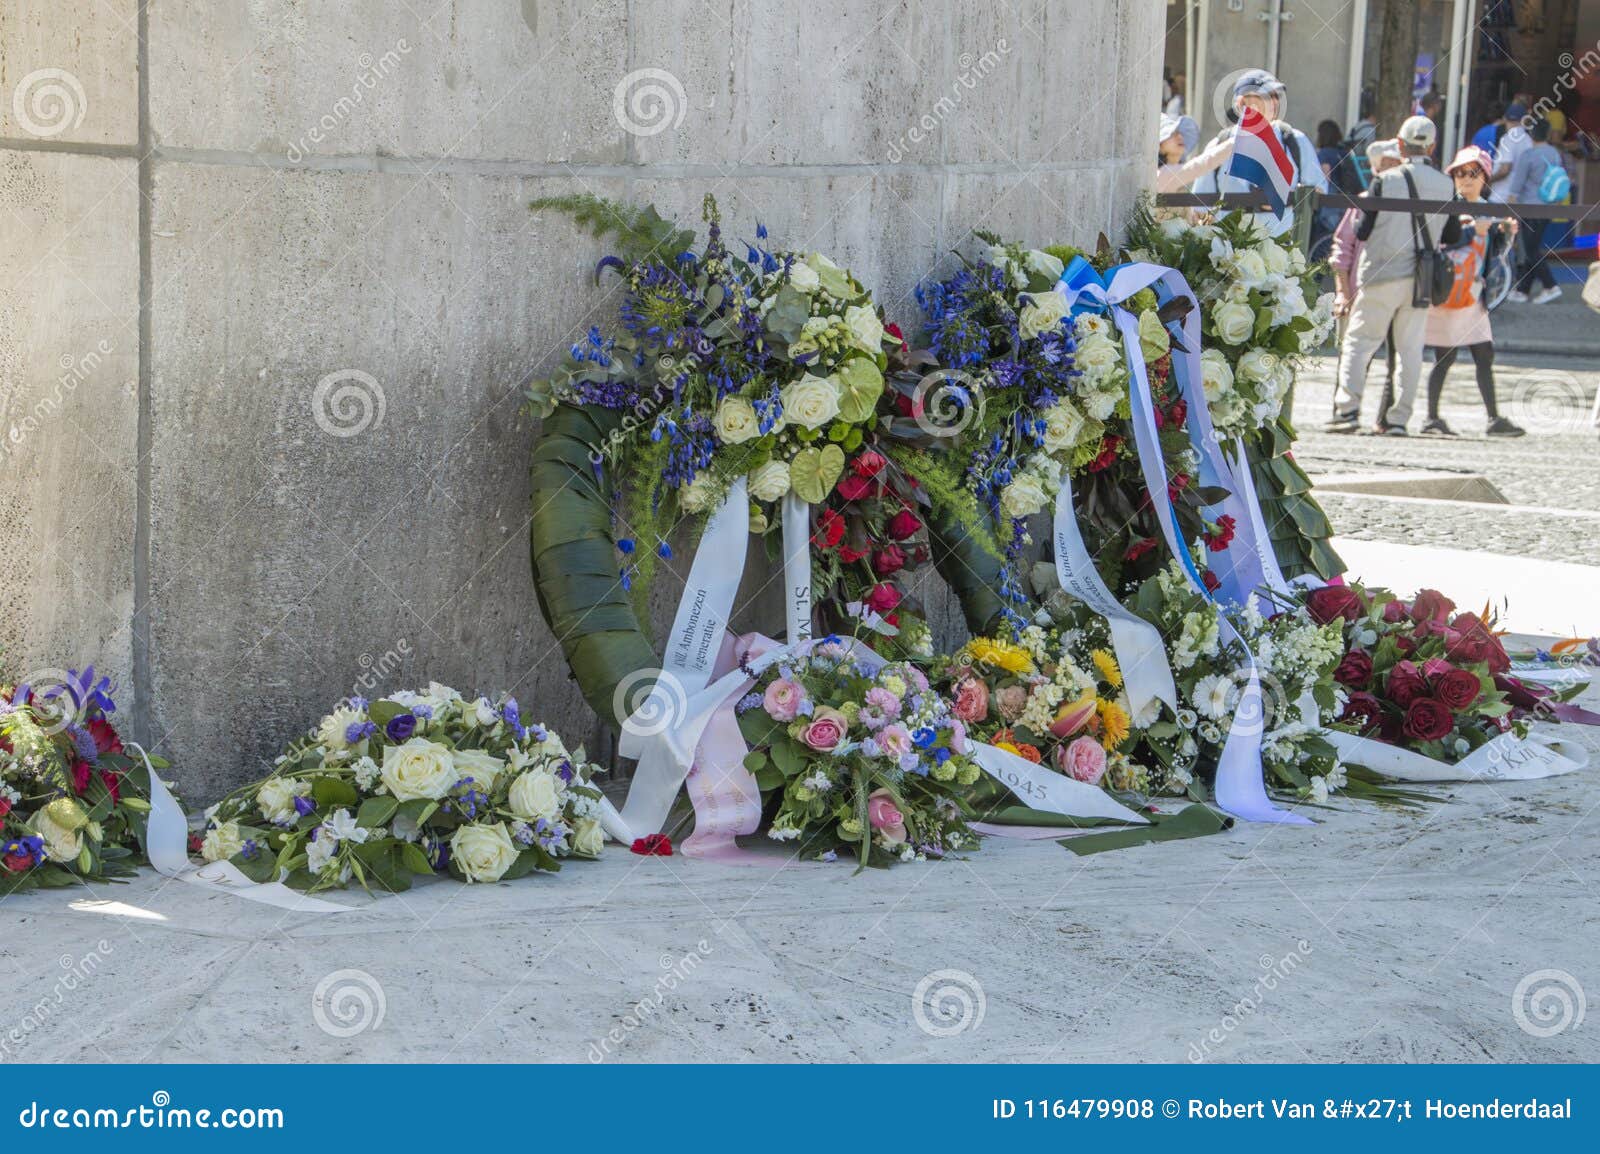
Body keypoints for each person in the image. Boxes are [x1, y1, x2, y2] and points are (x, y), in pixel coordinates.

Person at [1328, 116, 1462, 435]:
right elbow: (1454, 233)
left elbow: (1362, 229)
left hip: (1381, 272)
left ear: (1400, 145)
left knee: (1359, 343)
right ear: (1431, 146)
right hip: (1420, 277)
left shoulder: (1385, 180)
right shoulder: (1446, 184)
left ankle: (1347, 410)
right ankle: (1399, 419)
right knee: (1409, 350)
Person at [1419, 147, 1525, 437]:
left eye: (1473, 172)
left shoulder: (1488, 208)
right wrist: (1471, 231)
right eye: (1460, 172)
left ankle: (1492, 419)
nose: (1466, 178)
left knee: (1483, 355)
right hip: (1448, 295)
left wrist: (1506, 235)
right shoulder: (1447, 206)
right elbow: (1437, 243)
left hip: (1474, 295)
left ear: (1485, 177)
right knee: (1445, 357)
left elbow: (1497, 256)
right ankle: (1431, 418)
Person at [1192, 70, 1328, 239]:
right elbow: (1200, 207)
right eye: (1267, 96)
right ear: (1242, 103)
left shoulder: (1295, 141)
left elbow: (1318, 192)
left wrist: (1283, 198)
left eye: (1276, 96)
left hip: (1282, 252)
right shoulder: (1220, 144)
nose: (1275, 102)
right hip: (1229, 253)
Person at [1330, 139, 1403, 429]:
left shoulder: (1410, 204)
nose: (1387, 171)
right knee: (1353, 352)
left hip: (1398, 287)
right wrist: (1341, 292)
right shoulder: (1362, 201)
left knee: (1395, 358)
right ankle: (1344, 412)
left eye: (1394, 165)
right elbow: (1341, 248)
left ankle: (1386, 418)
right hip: (1359, 291)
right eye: (1383, 165)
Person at [1505, 117, 1566, 304]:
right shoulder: (1554, 153)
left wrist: (1509, 209)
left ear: (1531, 134)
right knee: (1532, 248)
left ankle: (1550, 285)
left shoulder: (1528, 156)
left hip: (1529, 208)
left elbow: (1516, 188)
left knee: (1530, 250)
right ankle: (1523, 290)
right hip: (1547, 207)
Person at [1156, 112, 1231, 194]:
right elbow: (1202, 164)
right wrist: (1236, 140)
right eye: (1171, 134)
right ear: (1160, 146)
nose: (1180, 137)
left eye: (1179, 133)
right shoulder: (1162, 175)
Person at [1488, 101, 1533, 181]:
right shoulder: (1528, 139)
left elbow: (1505, 169)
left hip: (1503, 190)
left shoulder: (1508, 139)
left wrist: (1488, 181)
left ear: (1505, 119)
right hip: (1519, 190)